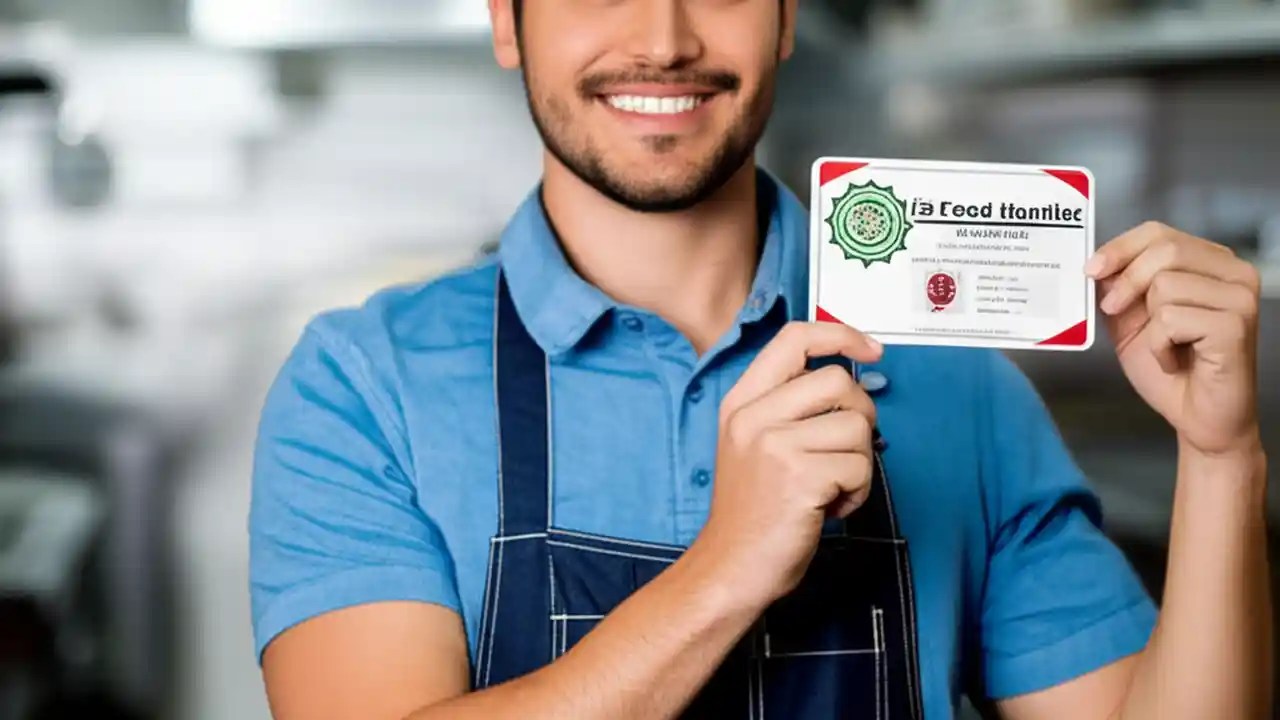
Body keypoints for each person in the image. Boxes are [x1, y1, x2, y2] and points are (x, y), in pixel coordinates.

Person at [249, 2, 1271, 718]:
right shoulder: (362, 386)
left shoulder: (960, 386)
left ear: (785, 15)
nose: (663, 37)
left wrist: (1222, 460)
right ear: (506, 20)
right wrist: (724, 571)